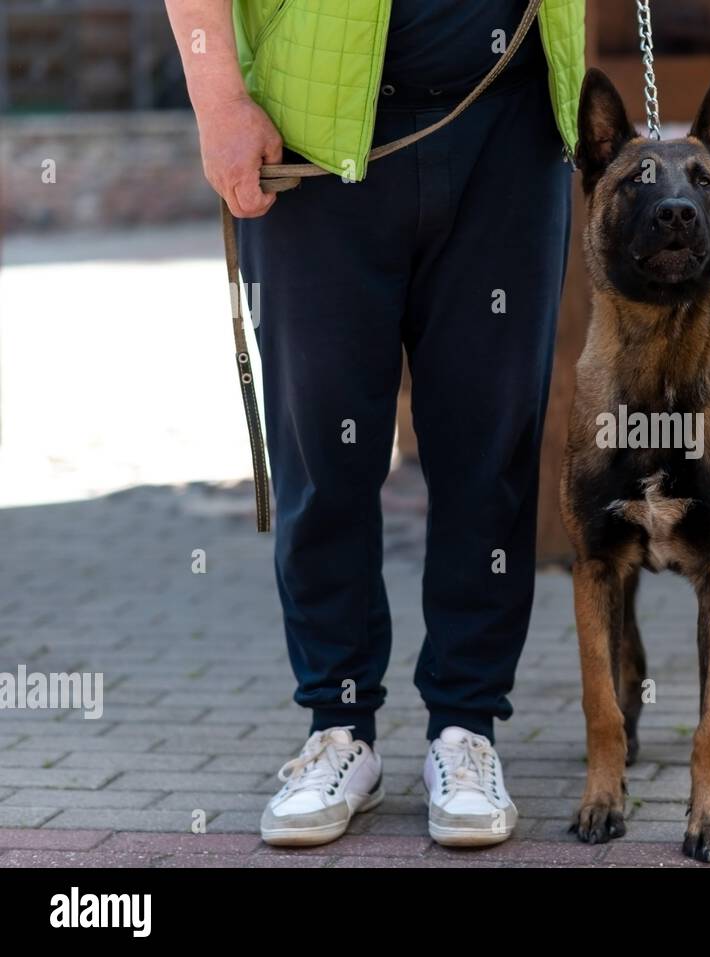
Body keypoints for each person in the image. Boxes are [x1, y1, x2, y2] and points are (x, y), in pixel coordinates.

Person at [163, 0, 583, 848]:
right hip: (312, 126)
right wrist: (217, 99)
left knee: (491, 438)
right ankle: (337, 726)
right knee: (321, 444)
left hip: (508, 114)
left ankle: (466, 729)